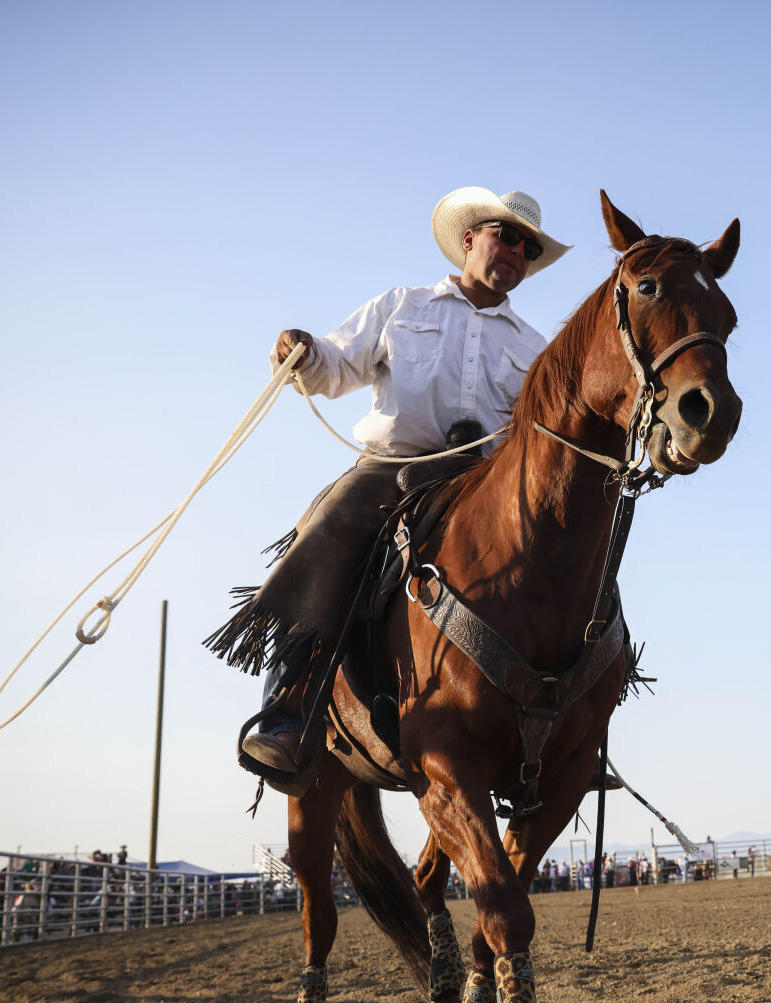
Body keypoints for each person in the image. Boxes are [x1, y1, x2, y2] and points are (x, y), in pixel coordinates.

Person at [210, 187, 570, 787]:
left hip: (485, 483)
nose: (516, 252)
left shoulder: (536, 348)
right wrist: (299, 350)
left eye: (528, 248)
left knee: (571, 560)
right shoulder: (402, 306)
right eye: (505, 236)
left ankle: (571, 731)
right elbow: (335, 364)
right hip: (393, 468)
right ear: (469, 240)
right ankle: (287, 711)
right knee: (325, 531)